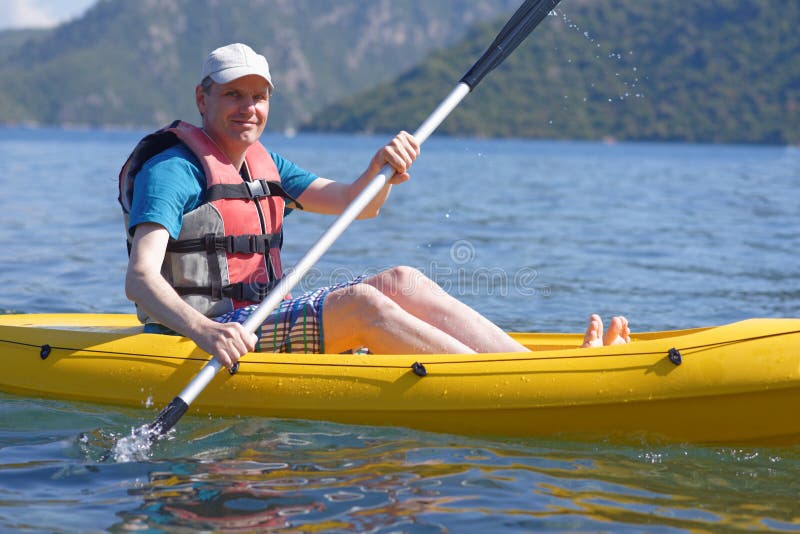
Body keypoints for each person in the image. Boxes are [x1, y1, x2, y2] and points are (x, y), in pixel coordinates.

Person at [120, 43, 630, 370]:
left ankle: (530, 370)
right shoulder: (172, 170)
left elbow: (353, 204)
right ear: (202, 98)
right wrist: (207, 331)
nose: (248, 108)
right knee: (364, 305)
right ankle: (517, 386)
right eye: (234, 95)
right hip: (199, 335)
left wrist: (382, 170)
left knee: (402, 280)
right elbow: (141, 278)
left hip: (257, 317)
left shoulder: (262, 163)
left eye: (258, 96)